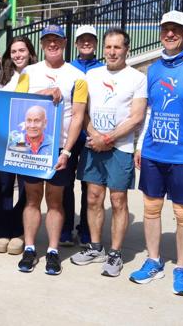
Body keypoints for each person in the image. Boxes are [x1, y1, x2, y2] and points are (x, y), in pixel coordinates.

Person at [130, 10, 183, 296]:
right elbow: (151, 112)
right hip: (155, 153)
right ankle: (153, 261)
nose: (170, 34)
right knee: (151, 209)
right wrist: (141, 145)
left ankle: (181, 268)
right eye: (166, 28)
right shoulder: (153, 70)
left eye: (176, 30)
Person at [70, 28, 146, 278]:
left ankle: (115, 253)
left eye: (117, 47)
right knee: (92, 197)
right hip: (93, 145)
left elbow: (137, 116)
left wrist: (110, 139)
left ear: (127, 49)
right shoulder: (90, 75)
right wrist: (94, 136)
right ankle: (95, 248)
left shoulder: (137, 78)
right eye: (108, 47)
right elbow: (81, 112)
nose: (112, 52)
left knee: (117, 200)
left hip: (120, 148)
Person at [15, 24, 87, 276]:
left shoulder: (77, 75)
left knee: (55, 202)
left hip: (59, 148)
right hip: (32, 148)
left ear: (65, 43)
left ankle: (53, 251)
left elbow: (78, 116)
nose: (52, 44)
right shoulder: (28, 72)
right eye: (47, 40)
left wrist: (67, 152)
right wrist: (44, 94)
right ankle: (30, 247)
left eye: (57, 40)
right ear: (43, 44)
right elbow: (18, 105)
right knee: (32, 198)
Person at [0, 36, 35, 256]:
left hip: (29, 142)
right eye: (14, 51)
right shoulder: (2, 76)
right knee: (3, 185)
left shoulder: (38, 74)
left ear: (30, 52)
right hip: (4, 140)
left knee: (26, 187)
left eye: (22, 50)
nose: (18, 55)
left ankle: (20, 231)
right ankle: (2, 230)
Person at [64, 25, 102, 246]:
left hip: (92, 135)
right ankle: (65, 229)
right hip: (70, 134)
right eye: (82, 40)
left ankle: (86, 231)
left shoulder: (103, 69)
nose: (86, 43)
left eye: (90, 39)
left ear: (95, 43)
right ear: (76, 44)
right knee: (65, 184)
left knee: (91, 185)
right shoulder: (68, 68)